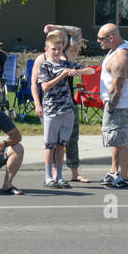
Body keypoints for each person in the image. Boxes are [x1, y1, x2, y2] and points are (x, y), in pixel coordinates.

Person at [35, 23, 90, 183]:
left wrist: (56, 26)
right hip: (50, 105)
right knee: (51, 142)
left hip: (68, 104)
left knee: (71, 139)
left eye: (62, 37)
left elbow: (78, 32)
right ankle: (52, 173)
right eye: (56, 37)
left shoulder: (69, 54)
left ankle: (74, 172)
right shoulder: (42, 59)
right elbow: (34, 84)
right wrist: (38, 104)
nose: (60, 40)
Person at [97, 23, 128, 188]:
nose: (98, 41)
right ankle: (114, 171)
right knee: (116, 140)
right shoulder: (118, 48)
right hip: (118, 104)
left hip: (119, 105)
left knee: (121, 142)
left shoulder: (121, 57)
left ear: (111, 37)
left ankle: (124, 177)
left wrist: (110, 108)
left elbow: (116, 90)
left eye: (101, 39)